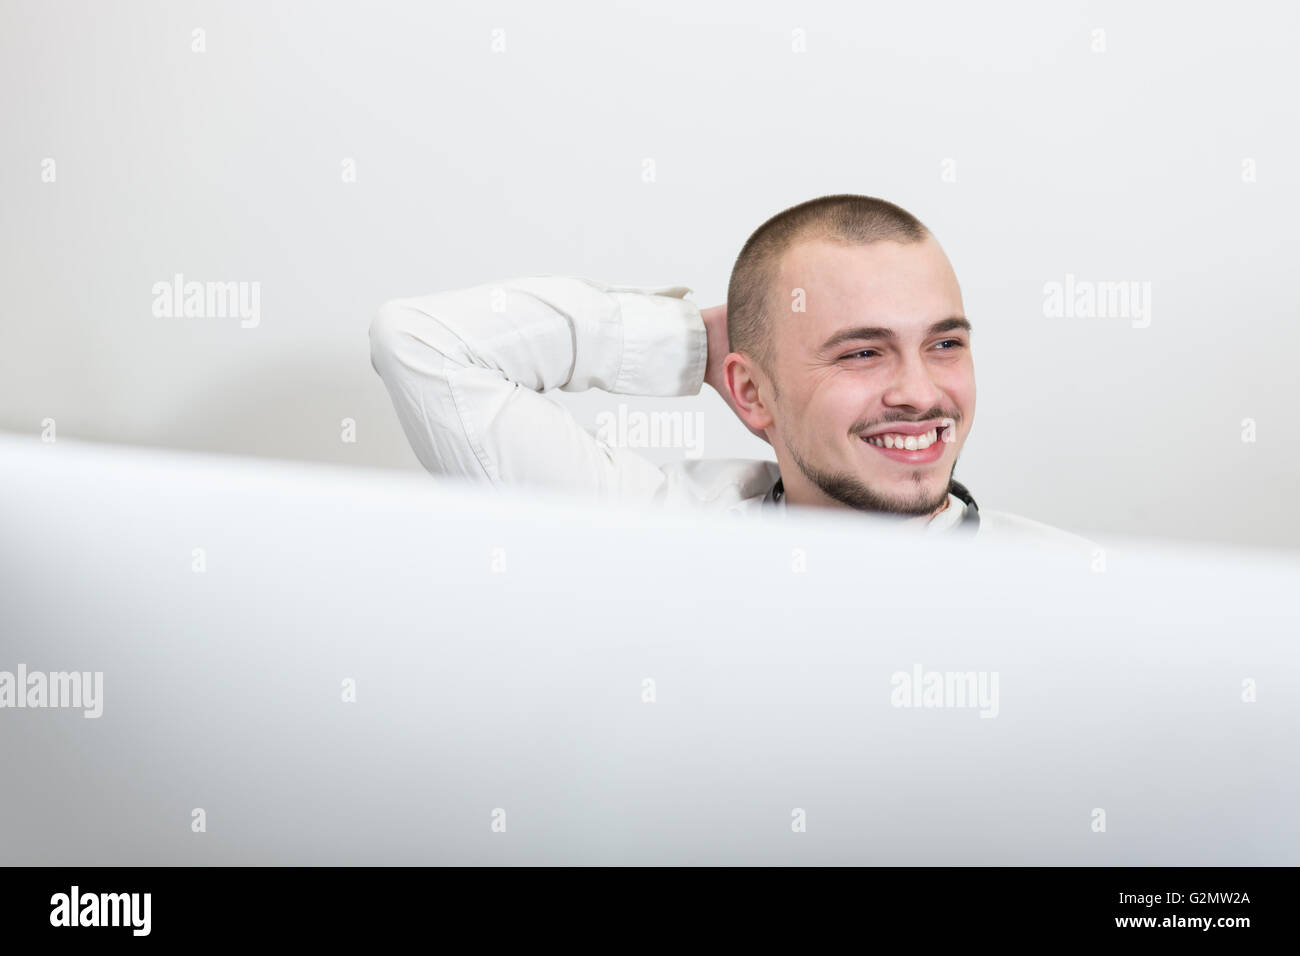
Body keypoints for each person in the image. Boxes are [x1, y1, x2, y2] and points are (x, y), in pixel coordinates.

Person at [369, 194, 1095, 552]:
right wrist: (685, 339)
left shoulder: (1074, 585)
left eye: (944, 345)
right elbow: (423, 345)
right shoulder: (664, 536)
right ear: (749, 391)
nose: (919, 393)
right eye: (862, 352)